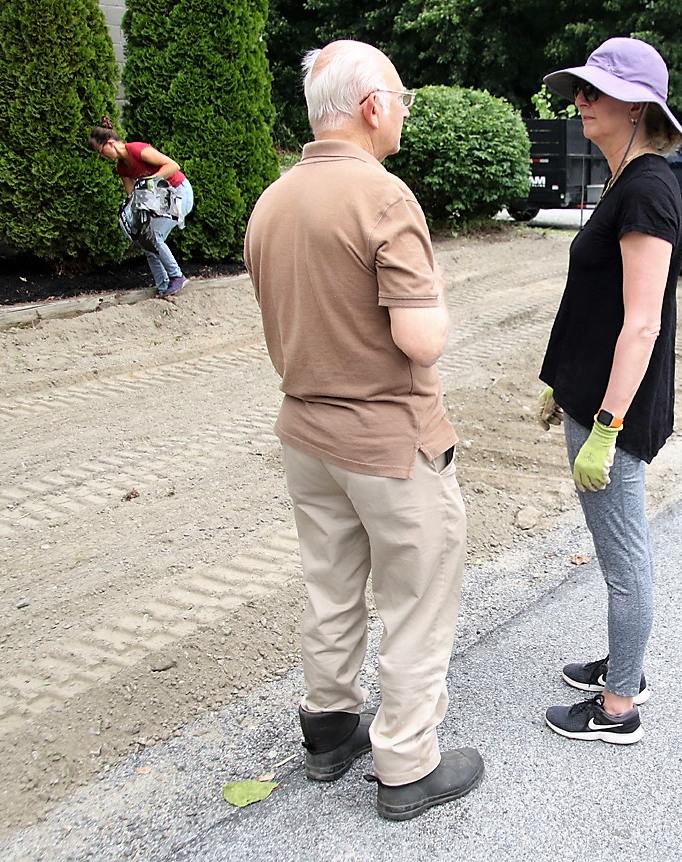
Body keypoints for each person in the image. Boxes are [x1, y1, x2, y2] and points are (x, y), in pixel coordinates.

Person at [243, 40, 483, 820]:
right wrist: (437, 288)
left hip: (306, 434)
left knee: (331, 584)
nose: (404, 112)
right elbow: (422, 340)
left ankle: (329, 726)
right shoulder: (383, 198)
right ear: (373, 106)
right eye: (401, 99)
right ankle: (407, 765)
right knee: (416, 597)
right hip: (388, 441)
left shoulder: (272, 201)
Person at [537, 37, 682, 744]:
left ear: (636, 108)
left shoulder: (647, 190)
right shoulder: (626, 179)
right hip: (593, 395)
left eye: (594, 91)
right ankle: (622, 664)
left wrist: (605, 426)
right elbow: (595, 304)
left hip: (614, 413)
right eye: (580, 89)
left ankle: (619, 705)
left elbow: (642, 323)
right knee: (616, 551)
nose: (580, 100)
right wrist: (559, 382)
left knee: (625, 561)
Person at [90, 118, 194, 297]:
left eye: (101, 151)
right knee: (146, 241)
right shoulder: (122, 168)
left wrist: (150, 180)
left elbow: (173, 166)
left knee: (154, 236)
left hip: (179, 193)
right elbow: (134, 197)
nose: (102, 156)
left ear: (110, 143)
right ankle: (164, 287)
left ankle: (177, 276)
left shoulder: (138, 150)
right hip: (161, 201)